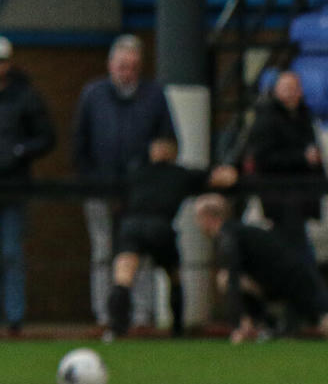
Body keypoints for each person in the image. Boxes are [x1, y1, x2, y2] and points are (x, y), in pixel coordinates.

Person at [73, 35, 175, 327]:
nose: (126, 73)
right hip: (99, 188)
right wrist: (91, 180)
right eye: (121, 66)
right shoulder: (92, 94)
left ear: (140, 67)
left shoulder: (154, 95)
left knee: (138, 252)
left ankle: (141, 316)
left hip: (141, 192)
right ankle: (105, 314)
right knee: (103, 250)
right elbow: (79, 144)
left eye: (132, 67)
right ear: (110, 65)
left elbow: (167, 142)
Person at [105, 137, 237, 339]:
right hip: (160, 227)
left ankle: (115, 329)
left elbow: (116, 196)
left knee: (123, 276)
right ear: (174, 152)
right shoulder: (181, 174)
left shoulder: (136, 173)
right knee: (173, 276)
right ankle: (177, 328)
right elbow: (224, 178)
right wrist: (231, 169)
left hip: (132, 225)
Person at [196, 194, 328, 344]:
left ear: (208, 217)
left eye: (198, 217)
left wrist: (236, 326)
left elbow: (234, 279)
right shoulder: (233, 233)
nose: (197, 223)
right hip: (274, 281)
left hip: (293, 278)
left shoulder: (228, 236)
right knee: (226, 280)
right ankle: (261, 325)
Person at [0, 36, 54, 335]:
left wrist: (20, 151)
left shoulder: (26, 96)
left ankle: (14, 320)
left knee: (11, 253)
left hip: (13, 187)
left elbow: (46, 137)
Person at [240, 68, 322, 258]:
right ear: (276, 90)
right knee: (296, 252)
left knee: (292, 248)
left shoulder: (304, 116)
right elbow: (263, 158)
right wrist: (302, 158)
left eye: (294, 87)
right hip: (279, 196)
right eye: (286, 88)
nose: (291, 92)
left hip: (301, 196)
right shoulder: (266, 120)